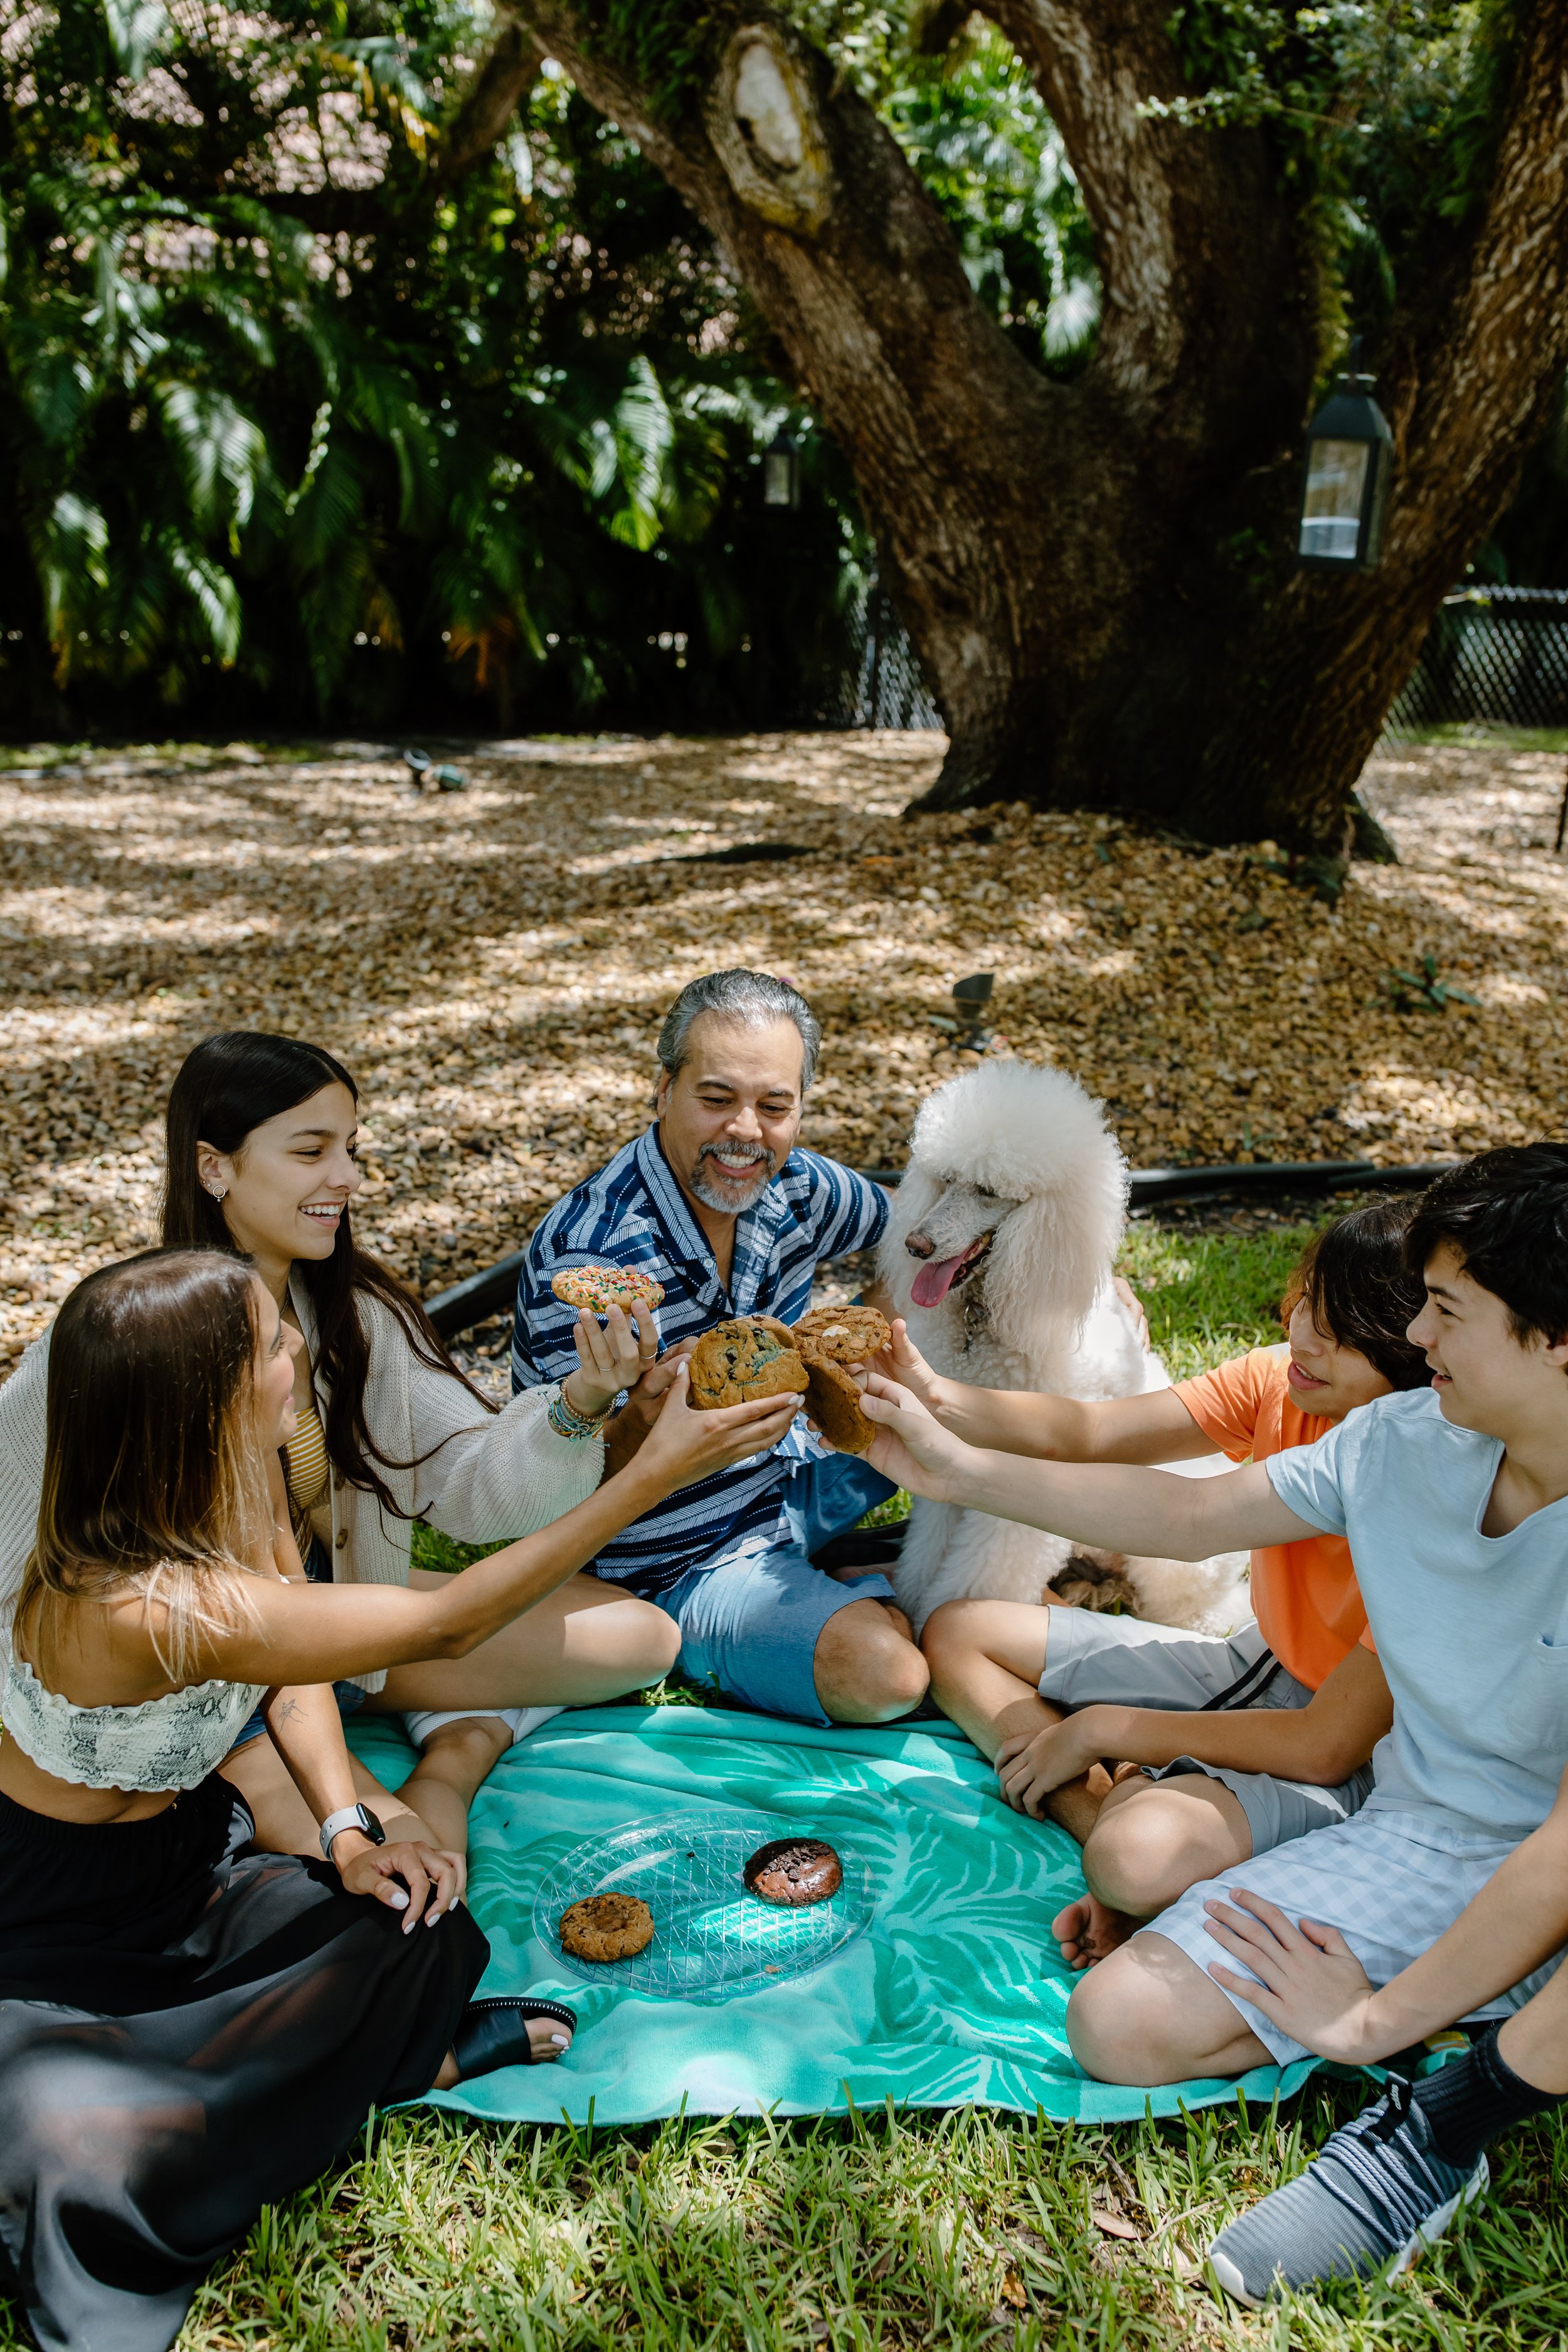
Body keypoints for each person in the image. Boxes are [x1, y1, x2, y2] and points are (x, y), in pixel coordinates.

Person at [0, 1248, 795, 2352]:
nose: (295, 1353)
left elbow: (295, 1677)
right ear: (207, 1399)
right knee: (73, 2140)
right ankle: (354, 2073)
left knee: (415, 1920)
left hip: (180, 1861)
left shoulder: (230, 1485)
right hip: (38, 1917)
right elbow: (442, 1626)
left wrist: (342, 1827)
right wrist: (646, 1473)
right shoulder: (137, 1600)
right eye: (273, 1346)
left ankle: (346, 2063)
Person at [850, 1145, 1568, 2109]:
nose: (1414, 1332)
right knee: (1114, 2019)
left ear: (1557, 1336)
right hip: (1412, 1831)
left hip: (1532, 1870)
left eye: (1447, 1310)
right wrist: (951, 1465)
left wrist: (1367, 2023)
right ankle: (1475, 1996)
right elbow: (1187, 1515)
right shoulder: (1404, 1440)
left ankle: (1482, 2013)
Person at [0, 1030, 684, 1857]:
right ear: (214, 1166)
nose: (348, 1178)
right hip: (205, 1675)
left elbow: (474, 1497)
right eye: (312, 1149)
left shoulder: (354, 1314)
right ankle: (459, 1748)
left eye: (351, 1148)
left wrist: (581, 1401)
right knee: (421, 1867)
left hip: (327, 1624)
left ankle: (421, 1720)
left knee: (643, 1637)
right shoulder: (126, 1334)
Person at [904, 1202, 1429, 1962]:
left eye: (1343, 1334)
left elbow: (1327, 1746)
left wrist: (1102, 1728)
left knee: (1133, 1857)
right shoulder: (1281, 1383)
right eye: (1307, 1303)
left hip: (1359, 1748)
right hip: (1257, 1668)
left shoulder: (1422, 1478)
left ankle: (1129, 1822)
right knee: (959, 1631)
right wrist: (931, 1395)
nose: (1304, 1337)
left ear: (1415, 1356)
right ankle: (1109, 1805)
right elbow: (1088, 1433)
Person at [512, 968, 930, 1727]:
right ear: (663, 1090)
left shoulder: (797, 1184)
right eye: (716, 1099)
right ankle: (860, 1590)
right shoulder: (594, 1265)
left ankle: (854, 1577)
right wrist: (641, 1421)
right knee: (888, 1675)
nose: (745, 1131)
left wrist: (863, 1359)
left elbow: (919, 1230)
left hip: (798, 1474)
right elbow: (547, 1495)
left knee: (985, 1380)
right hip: (670, 1557)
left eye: (774, 1106)